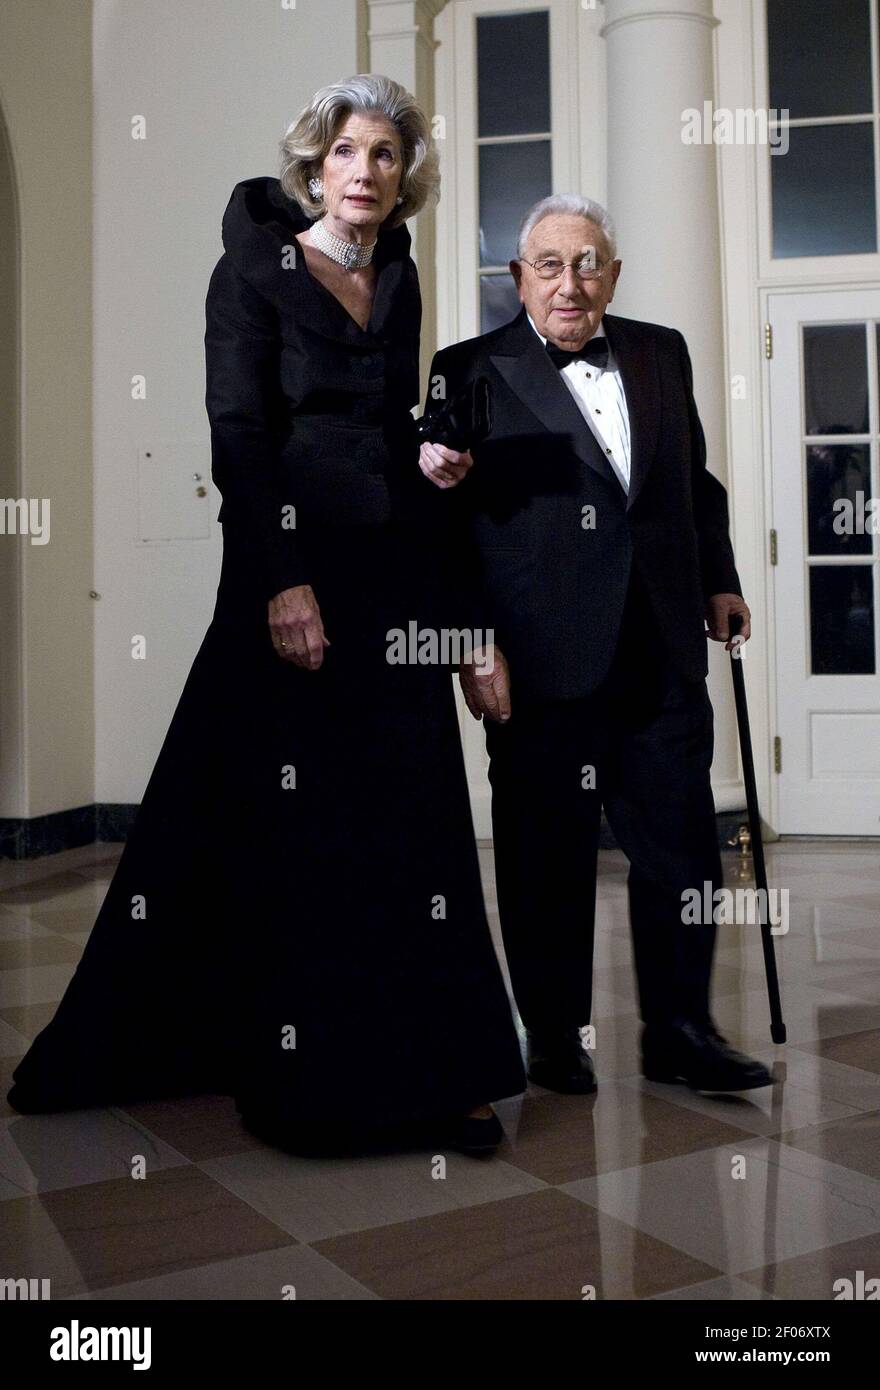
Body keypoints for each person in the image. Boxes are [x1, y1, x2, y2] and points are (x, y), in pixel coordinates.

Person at [7, 75, 526, 1154]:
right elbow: (238, 434)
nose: (366, 171)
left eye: (386, 154)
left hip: (388, 567)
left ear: (404, 174)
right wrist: (278, 582)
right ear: (313, 167)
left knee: (414, 816)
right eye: (348, 152)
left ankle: (438, 1069)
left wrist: (428, 457)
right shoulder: (249, 269)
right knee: (297, 823)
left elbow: (391, 427)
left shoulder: (402, 273)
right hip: (291, 562)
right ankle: (312, 1077)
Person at [420, 193, 773, 1097]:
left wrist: (719, 579)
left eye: (588, 265)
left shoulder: (661, 351)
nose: (570, 283)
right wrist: (469, 644)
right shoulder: (468, 371)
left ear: (612, 275)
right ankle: (551, 1036)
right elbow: (441, 527)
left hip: (658, 646)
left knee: (681, 846)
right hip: (539, 659)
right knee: (546, 854)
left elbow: (691, 481)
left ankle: (681, 1031)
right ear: (518, 278)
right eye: (549, 264)